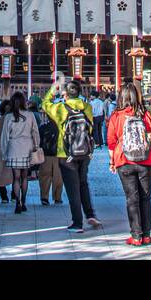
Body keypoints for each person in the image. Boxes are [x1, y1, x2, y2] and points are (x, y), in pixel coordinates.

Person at [44, 77, 101, 233]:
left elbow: (45, 104)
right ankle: (90, 214)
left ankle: (77, 223)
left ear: (65, 94)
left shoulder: (61, 109)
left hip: (66, 153)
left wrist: (53, 89)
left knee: (72, 188)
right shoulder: (87, 107)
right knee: (83, 183)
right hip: (85, 152)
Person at [106, 82, 151, 246]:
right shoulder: (145, 114)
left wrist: (112, 161)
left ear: (121, 97)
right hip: (145, 160)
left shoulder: (117, 116)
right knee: (146, 197)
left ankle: (136, 235)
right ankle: (147, 234)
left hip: (124, 160)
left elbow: (111, 141)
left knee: (131, 198)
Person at [0, 91, 41, 214]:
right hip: (27, 147)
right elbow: (35, 132)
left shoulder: (9, 117)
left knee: (16, 177)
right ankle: (24, 201)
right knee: (25, 177)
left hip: (13, 147)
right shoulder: (30, 115)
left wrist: (4, 151)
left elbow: (5, 136)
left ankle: (17, 202)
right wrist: (36, 145)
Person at [32, 97, 63, 207]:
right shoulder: (62, 128)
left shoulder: (43, 127)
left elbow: (38, 141)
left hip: (46, 155)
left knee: (45, 176)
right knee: (58, 177)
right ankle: (57, 197)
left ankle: (44, 197)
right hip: (59, 155)